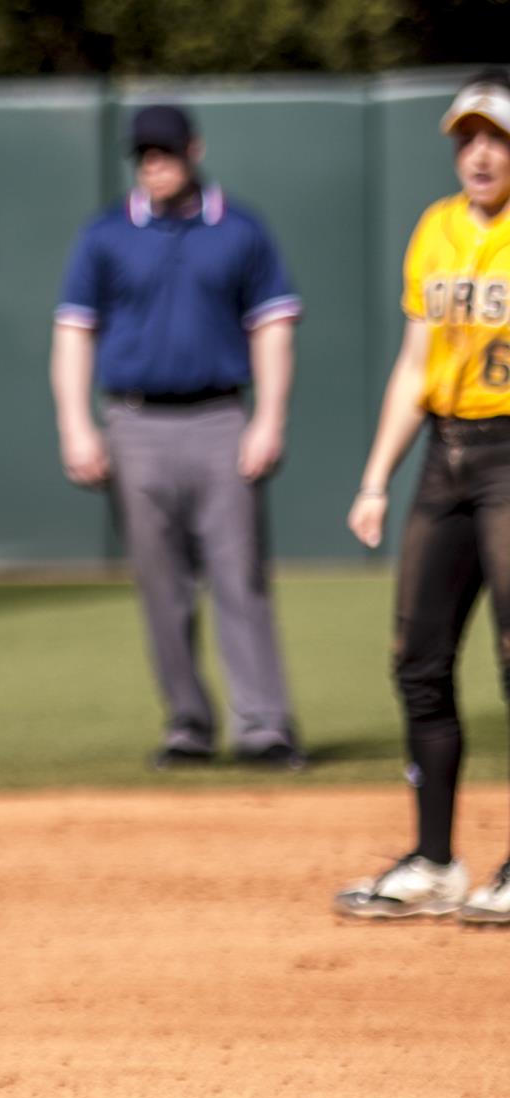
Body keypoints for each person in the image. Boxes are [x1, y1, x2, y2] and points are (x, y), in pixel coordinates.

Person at [51, 103, 308, 771]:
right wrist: (77, 423)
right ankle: (188, 726)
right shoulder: (106, 233)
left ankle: (264, 728)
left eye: (164, 151)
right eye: (143, 153)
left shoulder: (239, 229)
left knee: (239, 580)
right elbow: (74, 331)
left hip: (221, 418)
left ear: (193, 149)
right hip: (135, 422)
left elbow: (273, 326)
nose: (153, 163)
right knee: (161, 586)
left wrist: (269, 417)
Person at [334, 71, 510, 922]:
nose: (480, 152)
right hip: (446, 459)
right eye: (467, 136)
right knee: (419, 659)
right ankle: (437, 862)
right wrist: (376, 478)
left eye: (498, 136)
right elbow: (414, 365)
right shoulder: (437, 231)